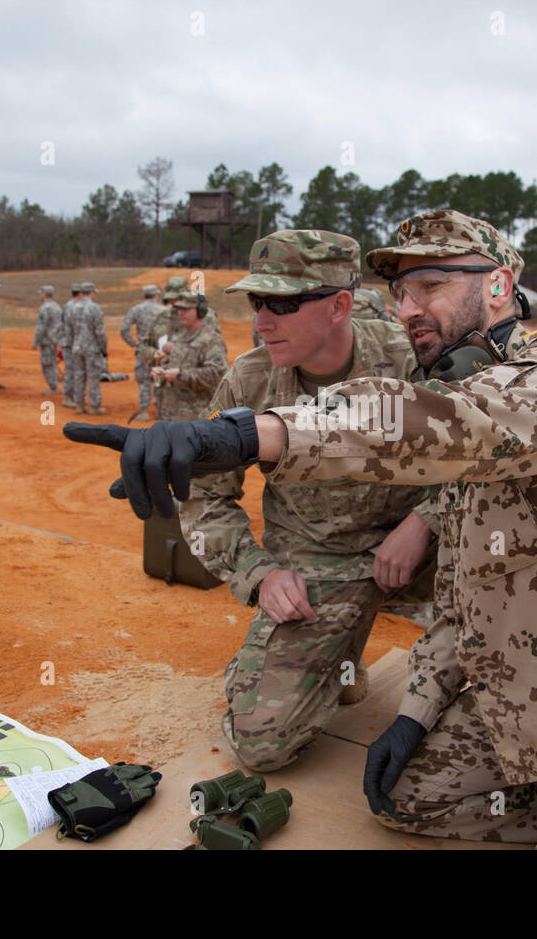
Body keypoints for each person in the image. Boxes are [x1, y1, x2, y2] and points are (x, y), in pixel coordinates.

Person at [65, 210, 537, 850]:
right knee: (402, 798)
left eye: (433, 285)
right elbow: (469, 594)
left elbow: (437, 425)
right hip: (536, 695)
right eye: (402, 293)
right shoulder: (463, 383)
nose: (410, 309)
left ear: (502, 286)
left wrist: (247, 434)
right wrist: (416, 708)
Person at [176, 228, 435, 772]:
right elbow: (204, 497)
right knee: (263, 742)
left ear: (340, 305)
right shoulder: (249, 380)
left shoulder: (408, 362)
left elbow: (491, 462)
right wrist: (260, 573)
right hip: (319, 564)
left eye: (284, 304)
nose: (262, 321)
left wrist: (426, 520)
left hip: (425, 552)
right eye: (257, 302)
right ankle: (325, 651)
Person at [151, 293, 228, 422]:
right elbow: (177, 364)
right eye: (179, 309)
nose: (181, 313)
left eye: (186, 309)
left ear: (200, 311)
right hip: (172, 416)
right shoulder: (179, 337)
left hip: (197, 419)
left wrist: (181, 375)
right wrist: (162, 371)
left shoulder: (211, 340)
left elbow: (217, 374)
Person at [120, 283, 165, 420]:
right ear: (156, 295)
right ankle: (160, 410)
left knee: (143, 379)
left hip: (143, 348)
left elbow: (124, 328)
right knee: (160, 377)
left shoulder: (136, 310)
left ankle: (144, 410)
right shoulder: (163, 310)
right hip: (160, 349)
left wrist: (133, 343)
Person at [65, 281, 107, 415]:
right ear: (91, 292)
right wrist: (103, 348)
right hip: (92, 348)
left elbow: (68, 330)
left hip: (76, 347)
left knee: (78, 376)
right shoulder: (94, 308)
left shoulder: (72, 307)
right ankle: (94, 406)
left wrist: (72, 344)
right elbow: (99, 331)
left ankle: (79, 404)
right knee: (93, 377)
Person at [32, 284, 62, 395]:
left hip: (46, 340)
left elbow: (41, 327)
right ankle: (55, 385)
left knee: (46, 364)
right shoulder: (57, 306)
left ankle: (53, 387)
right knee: (52, 363)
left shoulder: (44, 308)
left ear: (44, 294)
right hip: (54, 339)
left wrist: (36, 341)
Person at [61, 282, 82, 409]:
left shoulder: (70, 305)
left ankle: (72, 395)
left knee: (74, 370)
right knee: (70, 370)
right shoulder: (71, 306)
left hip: (72, 342)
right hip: (69, 343)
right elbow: (69, 328)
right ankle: (68, 397)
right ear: (80, 294)